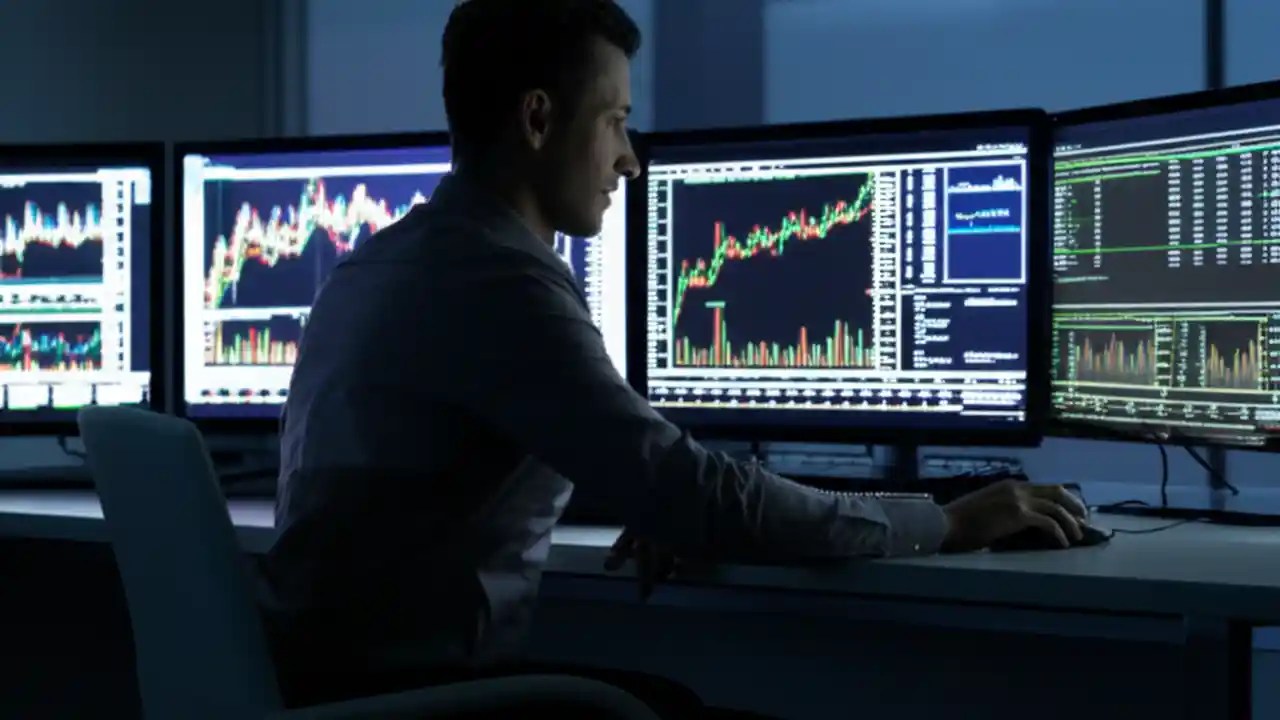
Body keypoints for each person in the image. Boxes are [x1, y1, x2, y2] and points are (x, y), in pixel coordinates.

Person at [256, 0, 1088, 716]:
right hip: (415, 703)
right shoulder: (500, 282)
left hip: (329, 687)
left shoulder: (379, 262)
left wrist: (652, 495)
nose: (630, 158)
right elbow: (693, 489)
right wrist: (946, 522)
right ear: (538, 119)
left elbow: (452, 471)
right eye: (614, 120)